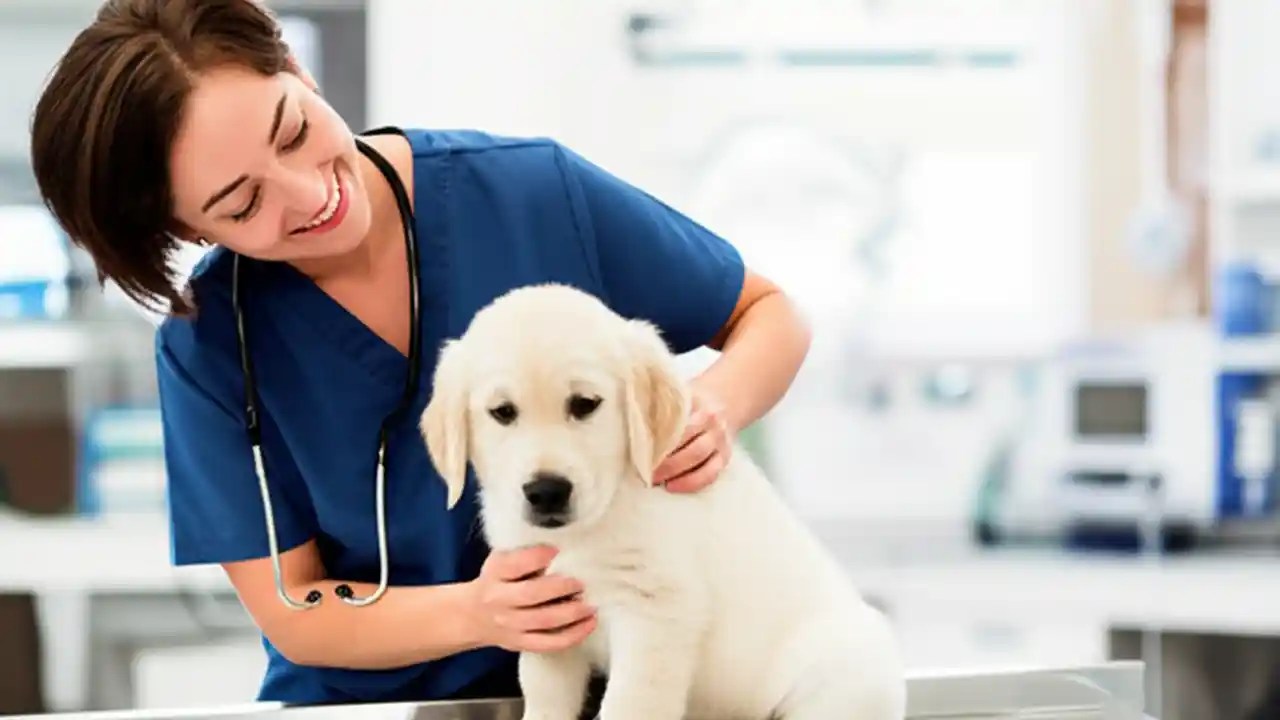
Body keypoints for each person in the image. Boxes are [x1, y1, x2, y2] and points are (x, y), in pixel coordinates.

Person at [29, 0, 812, 707]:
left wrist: (715, 405)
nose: (308, 195)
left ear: (298, 69)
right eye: (242, 203)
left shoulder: (532, 195)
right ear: (193, 229)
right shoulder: (210, 347)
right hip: (372, 707)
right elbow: (296, 608)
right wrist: (479, 611)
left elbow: (767, 314)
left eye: (295, 131)